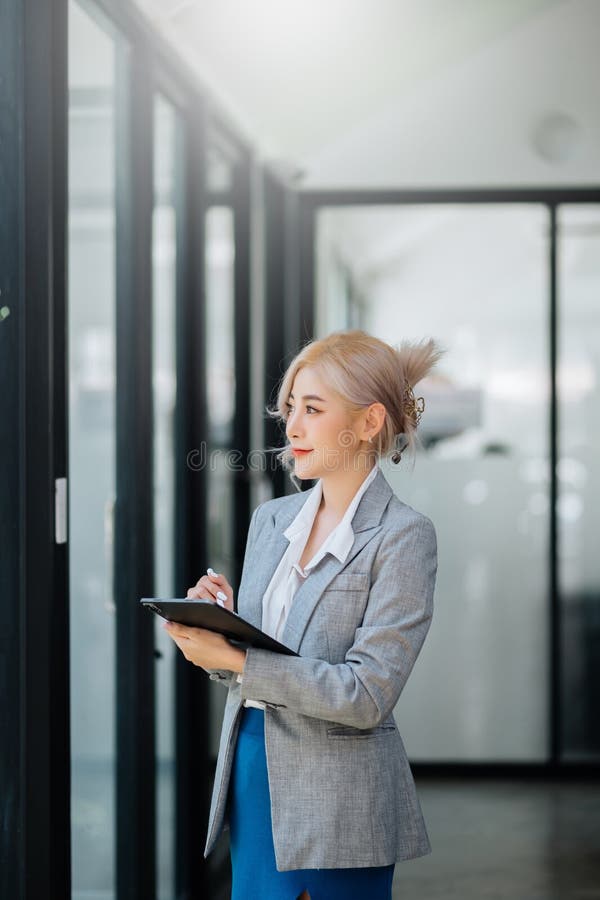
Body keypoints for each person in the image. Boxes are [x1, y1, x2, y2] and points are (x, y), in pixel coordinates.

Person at [164, 329, 443, 900]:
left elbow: (365, 696)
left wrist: (238, 658)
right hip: (252, 767)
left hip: (340, 798)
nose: (291, 427)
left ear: (369, 422)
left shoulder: (403, 537)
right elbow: (257, 667)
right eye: (290, 408)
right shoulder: (271, 521)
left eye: (312, 409)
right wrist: (220, 629)